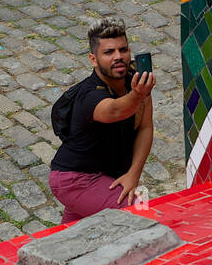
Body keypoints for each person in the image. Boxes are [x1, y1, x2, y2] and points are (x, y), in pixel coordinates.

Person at [49, 18, 155, 224]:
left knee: (71, 240)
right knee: (140, 213)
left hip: (103, 180)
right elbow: (115, 111)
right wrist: (139, 94)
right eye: (109, 52)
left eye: (123, 50)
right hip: (76, 180)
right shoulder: (90, 95)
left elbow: (145, 127)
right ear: (93, 59)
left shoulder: (135, 79)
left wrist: (133, 175)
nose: (118, 57)